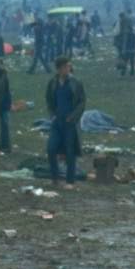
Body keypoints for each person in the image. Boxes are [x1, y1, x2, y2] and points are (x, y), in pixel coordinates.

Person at [45, 55, 85, 188]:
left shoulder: (75, 83)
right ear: (59, 69)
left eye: (69, 66)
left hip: (70, 122)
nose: (69, 68)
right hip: (57, 122)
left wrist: (73, 117)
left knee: (70, 151)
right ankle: (55, 178)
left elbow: (81, 102)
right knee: (51, 149)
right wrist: (52, 115)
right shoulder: (53, 83)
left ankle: (70, 181)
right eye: (66, 66)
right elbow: (49, 100)